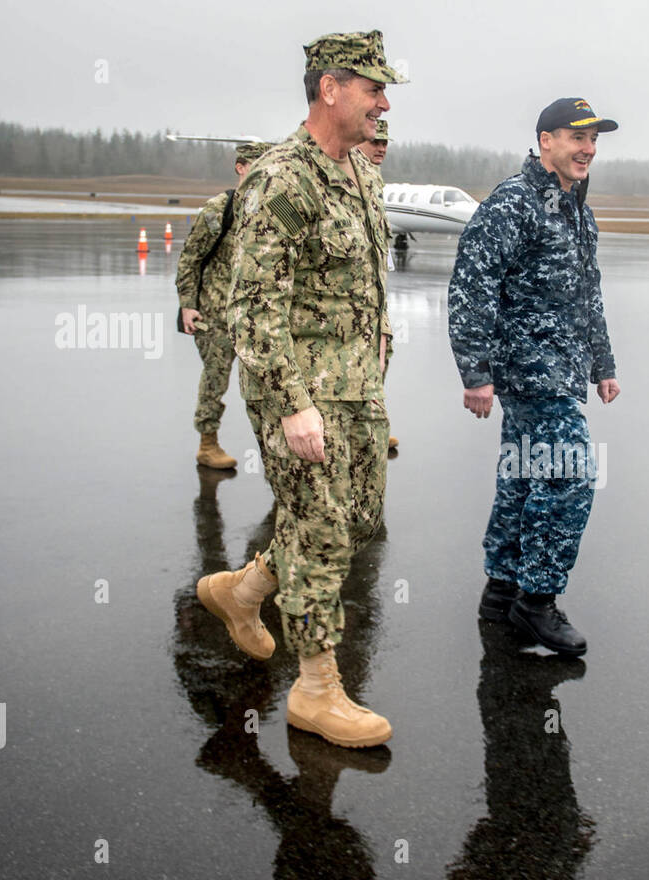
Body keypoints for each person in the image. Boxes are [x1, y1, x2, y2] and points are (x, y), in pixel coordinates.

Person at [196, 30, 405, 748]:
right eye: (374, 87)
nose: (383, 102)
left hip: (358, 388)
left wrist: (383, 347)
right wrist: (292, 405)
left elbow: (367, 281)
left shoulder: (360, 175)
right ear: (330, 88)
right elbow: (253, 305)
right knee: (318, 530)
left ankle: (242, 589)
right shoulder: (284, 177)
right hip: (299, 390)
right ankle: (317, 690)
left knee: (357, 522)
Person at [449, 97, 621, 657]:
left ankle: (501, 592)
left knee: (523, 477)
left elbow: (586, 294)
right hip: (529, 374)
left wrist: (603, 364)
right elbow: (472, 285)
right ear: (545, 140)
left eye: (594, 139)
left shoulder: (576, 210)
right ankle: (537, 602)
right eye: (577, 137)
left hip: (563, 372)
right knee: (570, 477)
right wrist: (475, 372)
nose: (588, 148)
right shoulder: (514, 202)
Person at [176, 140, 272, 470]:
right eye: (254, 166)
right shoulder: (219, 210)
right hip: (215, 314)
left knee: (264, 388)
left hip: (252, 318)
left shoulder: (269, 213)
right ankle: (208, 443)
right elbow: (190, 259)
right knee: (215, 379)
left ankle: (272, 452)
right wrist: (188, 305)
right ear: (240, 167)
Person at [357, 119, 399, 452]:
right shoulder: (347, 180)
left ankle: (372, 428)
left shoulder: (373, 183)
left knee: (381, 363)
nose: (381, 148)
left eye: (385, 142)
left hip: (375, 306)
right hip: (348, 311)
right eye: (375, 142)